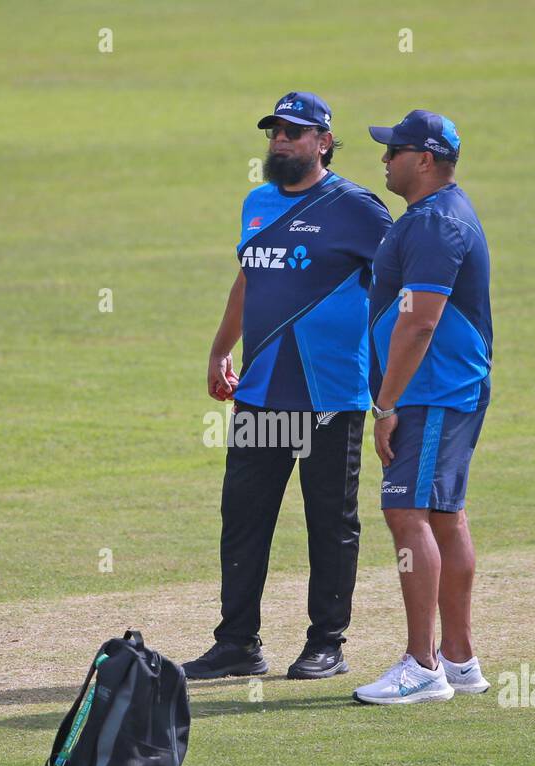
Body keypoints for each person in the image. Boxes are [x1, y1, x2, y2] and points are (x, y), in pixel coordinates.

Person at [183, 92, 392, 681]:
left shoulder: (358, 208)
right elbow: (249, 279)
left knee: (330, 521)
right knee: (243, 518)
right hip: (261, 392)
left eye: (294, 133)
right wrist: (221, 348)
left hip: (331, 395)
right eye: (275, 132)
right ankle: (237, 645)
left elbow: (397, 289)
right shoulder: (256, 202)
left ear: (323, 141)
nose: (281, 141)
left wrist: (391, 380)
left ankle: (326, 642)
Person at [352, 110, 495, 705]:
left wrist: (385, 404)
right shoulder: (435, 216)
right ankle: (459, 661)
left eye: (395, 151)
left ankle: (423, 665)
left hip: (429, 390)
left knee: (407, 513)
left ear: (426, 160)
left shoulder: (436, 225)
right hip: (444, 387)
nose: (385, 160)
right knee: (442, 515)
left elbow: (420, 324)